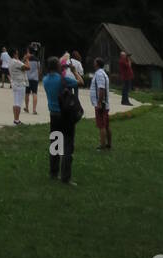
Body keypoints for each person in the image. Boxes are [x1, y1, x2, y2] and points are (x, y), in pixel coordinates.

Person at [43, 54, 82, 184]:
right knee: (67, 146)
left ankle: (53, 172)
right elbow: (80, 82)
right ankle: (66, 177)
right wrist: (74, 71)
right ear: (58, 66)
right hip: (65, 116)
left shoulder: (45, 80)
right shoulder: (63, 79)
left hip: (53, 115)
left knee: (55, 145)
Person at [90, 58, 112, 150]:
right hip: (104, 104)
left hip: (101, 104)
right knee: (106, 125)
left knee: (101, 125)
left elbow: (101, 89)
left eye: (94, 62)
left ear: (97, 64)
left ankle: (102, 145)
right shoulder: (103, 73)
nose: (93, 63)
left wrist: (99, 102)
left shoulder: (99, 74)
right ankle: (108, 144)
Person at [8, 48, 30, 125]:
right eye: (17, 54)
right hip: (20, 84)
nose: (18, 55)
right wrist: (27, 59)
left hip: (14, 84)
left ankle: (16, 120)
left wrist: (23, 59)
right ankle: (16, 121)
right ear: (14, 54)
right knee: (19, 103)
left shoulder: (11, 62)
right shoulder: (16, 62)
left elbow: (20, 65)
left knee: (15, 102)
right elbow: (28, 67)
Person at [24, 50, 39, 115]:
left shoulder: (26, 59)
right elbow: (39, 68)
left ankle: (27, 108)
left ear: (29, 53)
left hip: (27, 78)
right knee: (34, 93)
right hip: (35, 79)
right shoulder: (37, 60)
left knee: (27, 93)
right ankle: (34, 110)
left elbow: (23, 67)